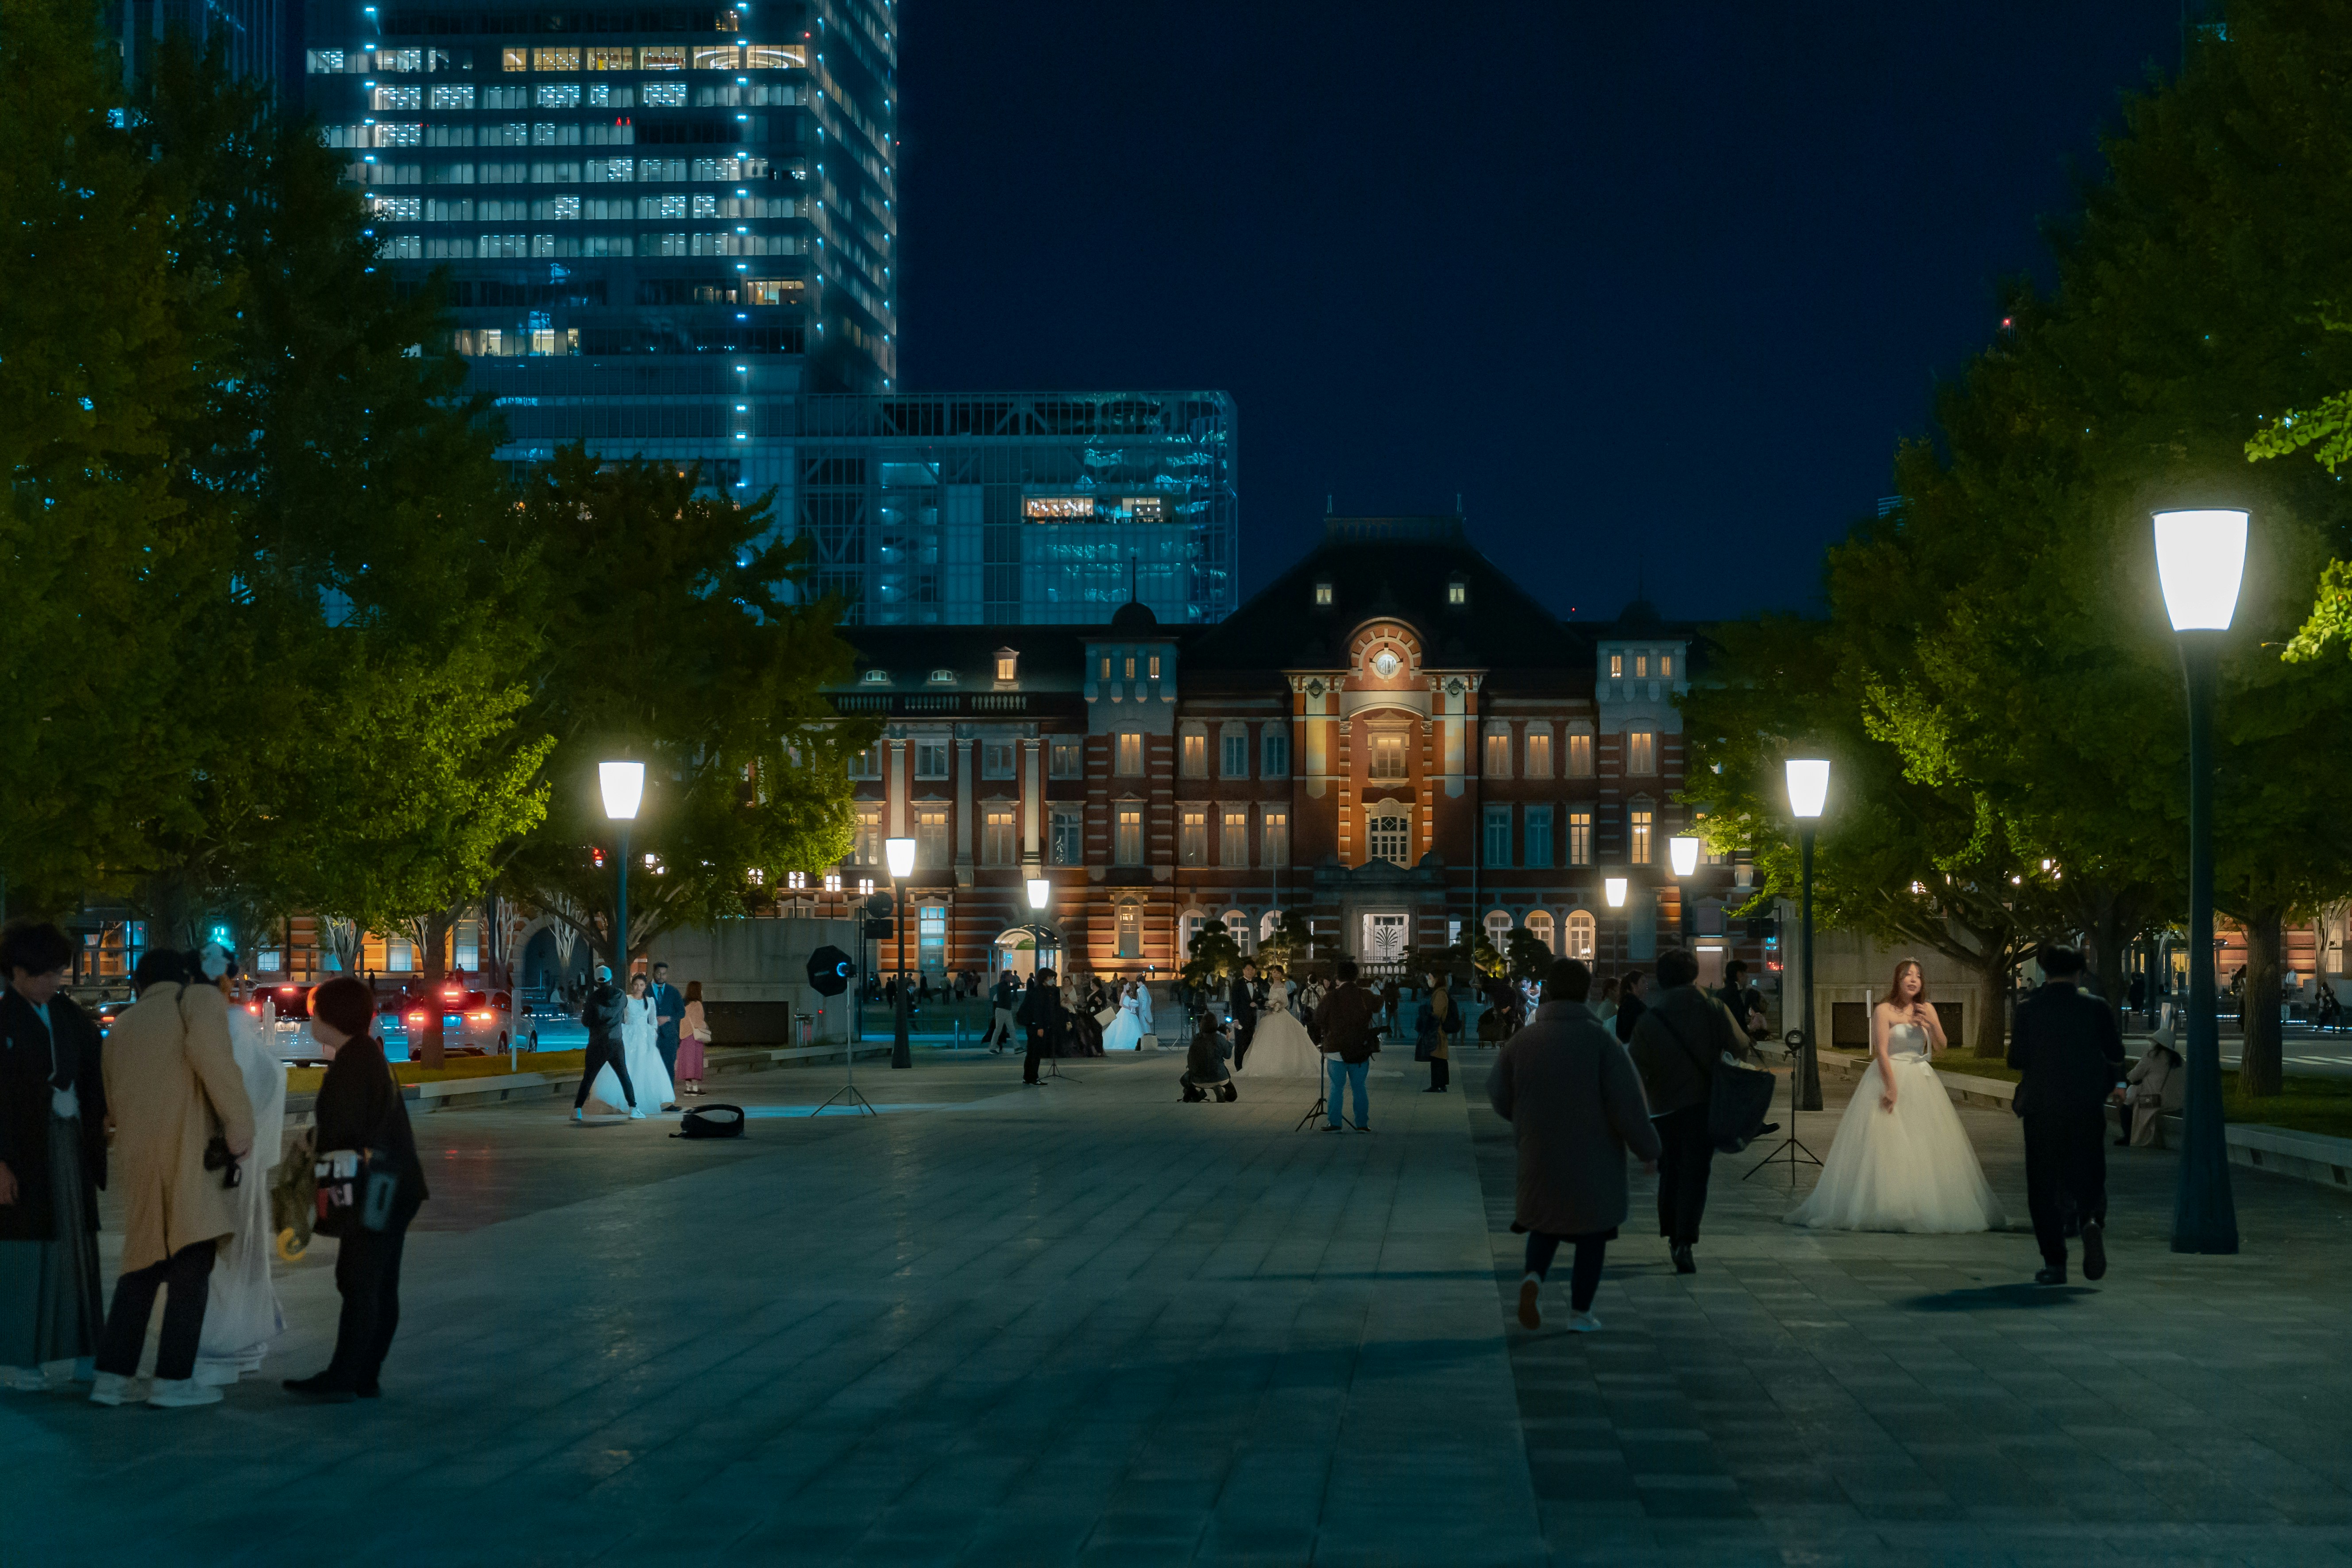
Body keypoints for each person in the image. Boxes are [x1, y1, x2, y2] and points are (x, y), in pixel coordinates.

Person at [93, 950, 255, 1410]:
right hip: (190, 1150)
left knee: (142, 1264)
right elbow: (214, 1060)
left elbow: (111, 1100)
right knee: (190, 1262)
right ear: (185, 975)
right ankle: (172, 1379)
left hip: (140, 1157)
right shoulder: (197, 999)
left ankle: (112, 1376)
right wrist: (240, 1124)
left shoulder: (122, 1025)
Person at [1489, 958, 1662, 1333]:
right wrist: (1648, 1149)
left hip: (1539, 1153)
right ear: (1587, 992)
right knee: (1592, 1233)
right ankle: (1581, 1313)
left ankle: (1533, 1278)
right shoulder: (1602, 1041)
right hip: (1594, 1158)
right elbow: (1627, 1103)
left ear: (1548, 990)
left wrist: (1524, 1121)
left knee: (1543, 1223)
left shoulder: (1523, 1041)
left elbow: (1499, 1094)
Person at [283, 976, 429, 1402]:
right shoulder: (367, 1054)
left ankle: (348, 1375)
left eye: (316, 1011)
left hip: (377, 1190)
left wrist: (312, 1142)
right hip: (393, 1186)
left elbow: (345, 1129)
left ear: (330, 1017)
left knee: (361, 1281)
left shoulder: (352, 1062)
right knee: (376, 1283)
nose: (311, 1019)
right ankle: (363, 1374)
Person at [1783, 959, 2006, 1234]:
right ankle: (1887, 1204)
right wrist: (1891, 1086)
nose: (1913, 980)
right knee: (1889, 1140)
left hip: (1921, 1077)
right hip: (1890, 1074)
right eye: (1907, 976)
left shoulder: (1927, 1009)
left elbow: (1943, 1046)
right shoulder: (1884, 1010)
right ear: (1897, 981)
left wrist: (1931, 1023)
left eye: (1918, 976)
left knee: (1924, 1141)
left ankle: (1923, 1203)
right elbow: (1882, 1052)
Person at [0, 920, 108, 1394]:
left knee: (79, 1246)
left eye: (57, 972)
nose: (53, 981)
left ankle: (88, 1352)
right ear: (16, 972)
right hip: (21, 1150)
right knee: (25, 1252)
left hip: (68, 1138)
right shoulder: (4, 1018)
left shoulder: (68, 1015)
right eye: (43, 973)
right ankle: (20, 1359)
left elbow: (95, 1069)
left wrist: (98, 1115)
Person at [1626, 948, 1754, 1275]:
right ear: (1694, 975)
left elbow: (1635, 1070)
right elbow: (1740, 1045)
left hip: (1662, 1109)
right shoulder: (1713, 1008)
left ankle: (1671, 1233)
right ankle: (1685, 1240)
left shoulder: (1650, 1018)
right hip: (1703, 1104)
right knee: (1696, 1173)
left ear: (1661, 979)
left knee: (1669, 1170)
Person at [195, 945, 289, 1387]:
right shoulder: (237, 1027)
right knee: (243, 1248)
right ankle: (245, 1340)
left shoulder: (207, 1026)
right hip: (244, 1157)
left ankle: (221, 1340)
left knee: (219, 1249)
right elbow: (270, 1080)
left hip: (212, 1155)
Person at [2008, 943, 2127, 1285]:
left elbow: (2016, 1058)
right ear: (2079, 973)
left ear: (2045, 972)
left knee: (2043, 1185)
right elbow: (2115, 1052)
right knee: (2088, 1170)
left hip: (2043, 1107)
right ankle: (2090, 1219)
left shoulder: (2029, 1010)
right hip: (2085, 1105)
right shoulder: (2096, 1008)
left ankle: (2054, 1263)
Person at [1313, 960, 1381, 1132]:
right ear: (1356, 977)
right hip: (1360, 1048)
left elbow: (1318, 1019)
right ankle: (1362, 1124)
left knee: (1336, 1087)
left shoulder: (1331, 997)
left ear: (1338, 978)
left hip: (1336, 1049)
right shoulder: (1363, 994)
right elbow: (1379, 1004)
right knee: (1359, 1087)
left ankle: (1335, 1122)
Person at [595, 974, 675, 1115]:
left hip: (645, 1039)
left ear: (645, 987)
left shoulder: (649, 1001)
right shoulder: (626, 999)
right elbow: (619, 1017)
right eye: (636, 985)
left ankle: (643, 1100)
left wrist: (652, 1034)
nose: (639, 988)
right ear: (632, 985)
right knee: (627, 1066)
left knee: (645, 1068)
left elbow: (653, 1021)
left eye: (642, 985)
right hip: (628, 1036)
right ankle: (622, 1100)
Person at [571, 964, 637, 1122]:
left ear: (596, 981)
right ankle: (634, 1108)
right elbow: (624, 1009)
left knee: (588, 1078)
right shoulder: (621, 996)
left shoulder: (592, 999)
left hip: (596, 1043)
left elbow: (586, 1021)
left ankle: (577, 1110)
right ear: (610, 979)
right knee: (624, 1076)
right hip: (615, 1041)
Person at [1235, 966, 1320, 1077]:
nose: (1275, 974)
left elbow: (1285, 1002)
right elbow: (1265, 999)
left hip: (1280, 1013)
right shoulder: (1271, 986)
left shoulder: (1283, 986)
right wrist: (1268, 1005)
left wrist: (1277, 1006)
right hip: (1270, 1014)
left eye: (1278, 973)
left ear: (1281, 975)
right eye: (1274, 972)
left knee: (1281, 1039)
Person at [2119, 1023, 2181, 1148]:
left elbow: (2133, 1076)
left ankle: (2128, 1137)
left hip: (2154, 1101)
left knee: (2126, 1105)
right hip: (2175, 1102)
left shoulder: (2152, 1056)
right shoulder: (2179, 1061)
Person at [1019, 967, 1067, 1085]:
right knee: (1035, 1052)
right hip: (1036, 1027)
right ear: (1045, 978)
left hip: (1036, 1026)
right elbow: (1038, 1011)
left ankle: (1028, 1077)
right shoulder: (1039, 992)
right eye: (1051, 978)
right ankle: (1033, 1078)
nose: (1053, 980)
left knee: (1032, 1052)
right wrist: (1040, 1027)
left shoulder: (1046, 991)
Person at [649, 962, 685, 1104]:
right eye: (659, 973)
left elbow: (682, 1012)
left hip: (669, 1037)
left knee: (669, 1068)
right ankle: (653, 1099)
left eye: (664, 974)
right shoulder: (646, 991)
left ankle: (669, 1101)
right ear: (654, 973)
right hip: (651, 1037)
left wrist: (668, 1018)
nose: (661, 976)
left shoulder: (673, 992)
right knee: (652, 1068)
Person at [1181, 1012, 1238, 1102]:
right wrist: (1227, 1040)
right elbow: (1228, 1056)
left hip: (1198, 1078)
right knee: (1232, 1095)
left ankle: (1198, 1092)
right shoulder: (1219, 1039)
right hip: (1219, 1077)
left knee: (1184, 1080)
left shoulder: (1195, 1038)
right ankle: (1221, 1091)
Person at [1415, 973, 1456, 1093]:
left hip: (1437, 1031)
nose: (1429, 980)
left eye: (1431, 978)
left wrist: (1426, 1013)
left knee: (1438, 1058)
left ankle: (1438, 1085)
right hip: (1436, 1030)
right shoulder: (1440, 993)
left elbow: (1436, 1013)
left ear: (1437, 979)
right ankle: (1440, 1085)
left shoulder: (1440, 994)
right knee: (1439, 1058)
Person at [675, 981, 710, 1097]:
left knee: (686, 1062)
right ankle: (695, 1089)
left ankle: (688, 1088)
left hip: (684, 1038)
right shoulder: (697, 1005)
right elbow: (698, 1022)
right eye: (700, 989)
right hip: (694, 1038)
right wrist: (705, 1025)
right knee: (695, 1062)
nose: (702, 991)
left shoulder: (684, 1004)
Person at [1228, 962, 1261, 1068]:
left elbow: (1260, 998)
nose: (1250, 971)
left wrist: (1257, 1003)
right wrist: (1235, 1020)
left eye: (1252, 969)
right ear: (1243, 970)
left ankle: (1246, 1065)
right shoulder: (1237, 984)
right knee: (1239, 1043)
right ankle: (1239, 1066)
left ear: (1254, 971)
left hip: (1251, 1019)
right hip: (1240, 1019)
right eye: (1247, 969)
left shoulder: (1256, 983)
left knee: (1248, 1042)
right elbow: (1234, 1003)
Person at [1102, 980, 1147, 1052]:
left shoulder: (1126, 994)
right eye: (1128, 985)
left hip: (1128, 1011)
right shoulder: (1123, 994)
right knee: (1123, 1027)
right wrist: (1129, 1008)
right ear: (1124, 986)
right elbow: (1121, 1004)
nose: (1129, 986)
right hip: (1125, 1012)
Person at [985, 970, 1020, 1052]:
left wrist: (1015, 986)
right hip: (1001, 1010)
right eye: (1010, 975)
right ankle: (993, 1047)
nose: (1012, 977)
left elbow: (1008, 989)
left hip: (1006, 1010)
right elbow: (1007, 989)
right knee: (999, 1030)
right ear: (1006, 977)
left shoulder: (1005, 984)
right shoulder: (1001, 985)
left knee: (1011, 1029)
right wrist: (1016, 986)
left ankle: (1017, 1047)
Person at [1613, 969, 1648, 1044]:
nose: (1647, 985)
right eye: (1643, 982)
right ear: (1633, 985)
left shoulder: (1627, 1003)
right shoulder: (1632, 1006)